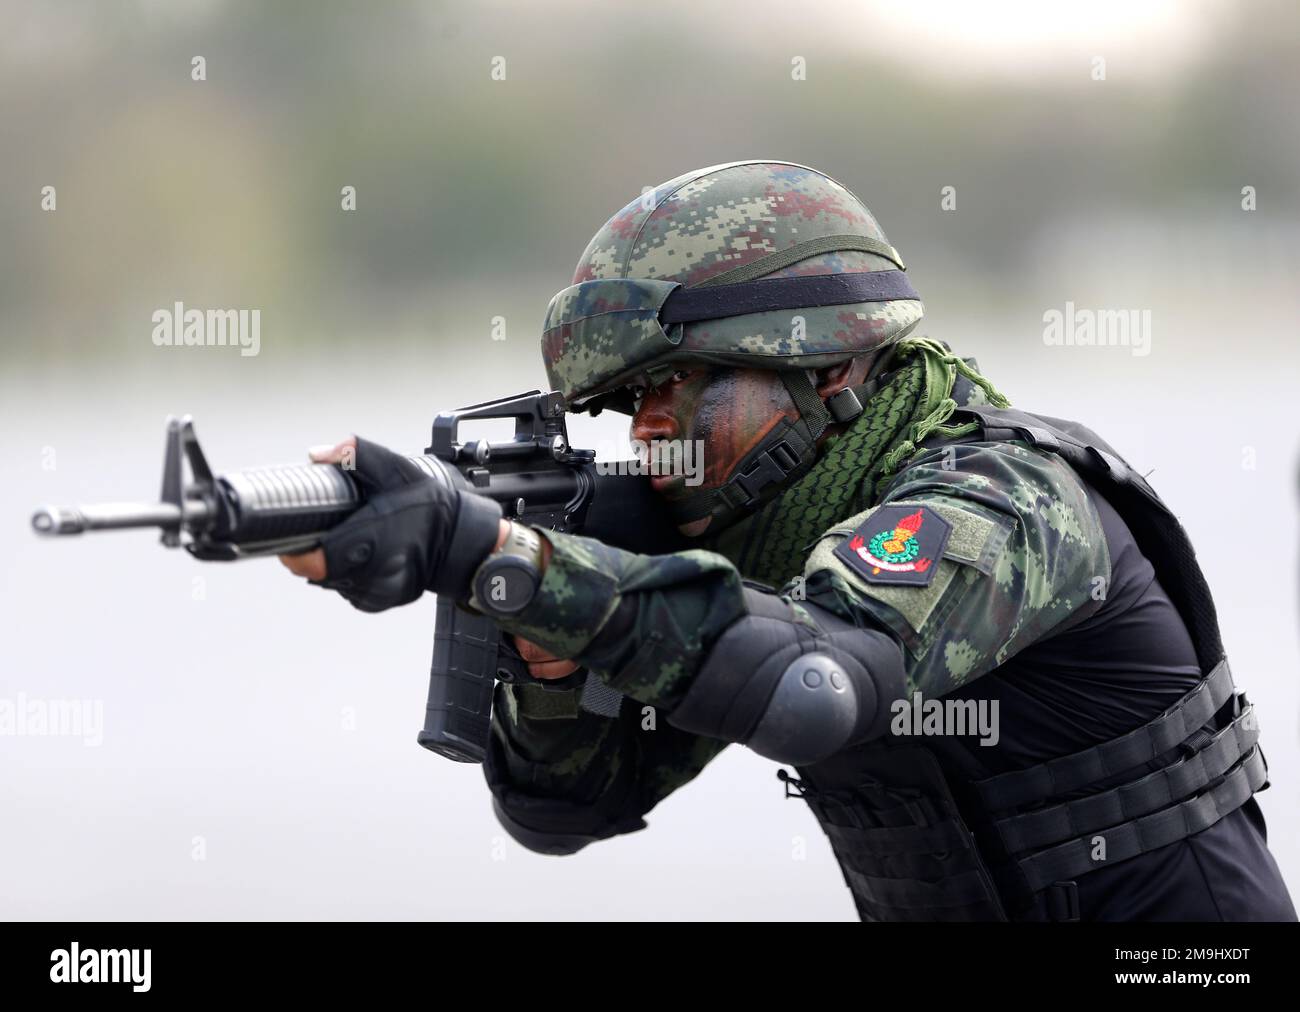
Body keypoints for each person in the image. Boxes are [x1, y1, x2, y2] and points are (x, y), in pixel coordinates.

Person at [281, 160, 1296, 922]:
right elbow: (563, 812)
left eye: (671, 389)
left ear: (824, 369)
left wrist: (501, 556)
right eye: (625, 404)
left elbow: (811, 687)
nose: (644, 432)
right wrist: (549, 638)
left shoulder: (1007, 500)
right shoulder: (766, 539)